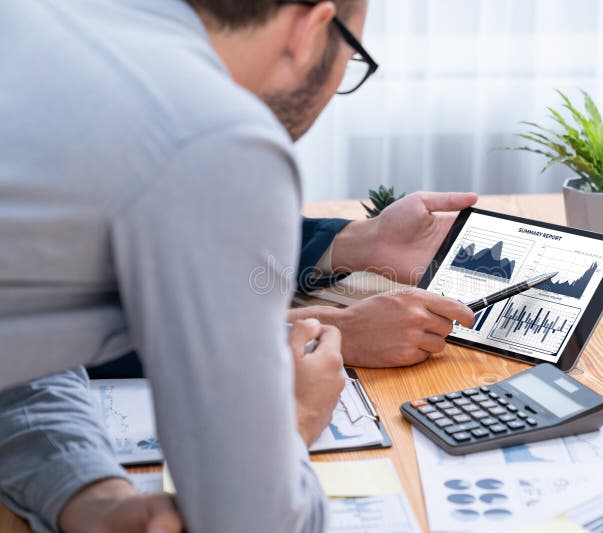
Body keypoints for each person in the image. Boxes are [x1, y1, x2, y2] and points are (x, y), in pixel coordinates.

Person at [0, 1, 474, 532]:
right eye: (353, 58)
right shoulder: (216, 133)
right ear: (312, 27)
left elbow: (22, 338)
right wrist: (292, 421)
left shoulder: (45, 22)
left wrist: (89, 494)